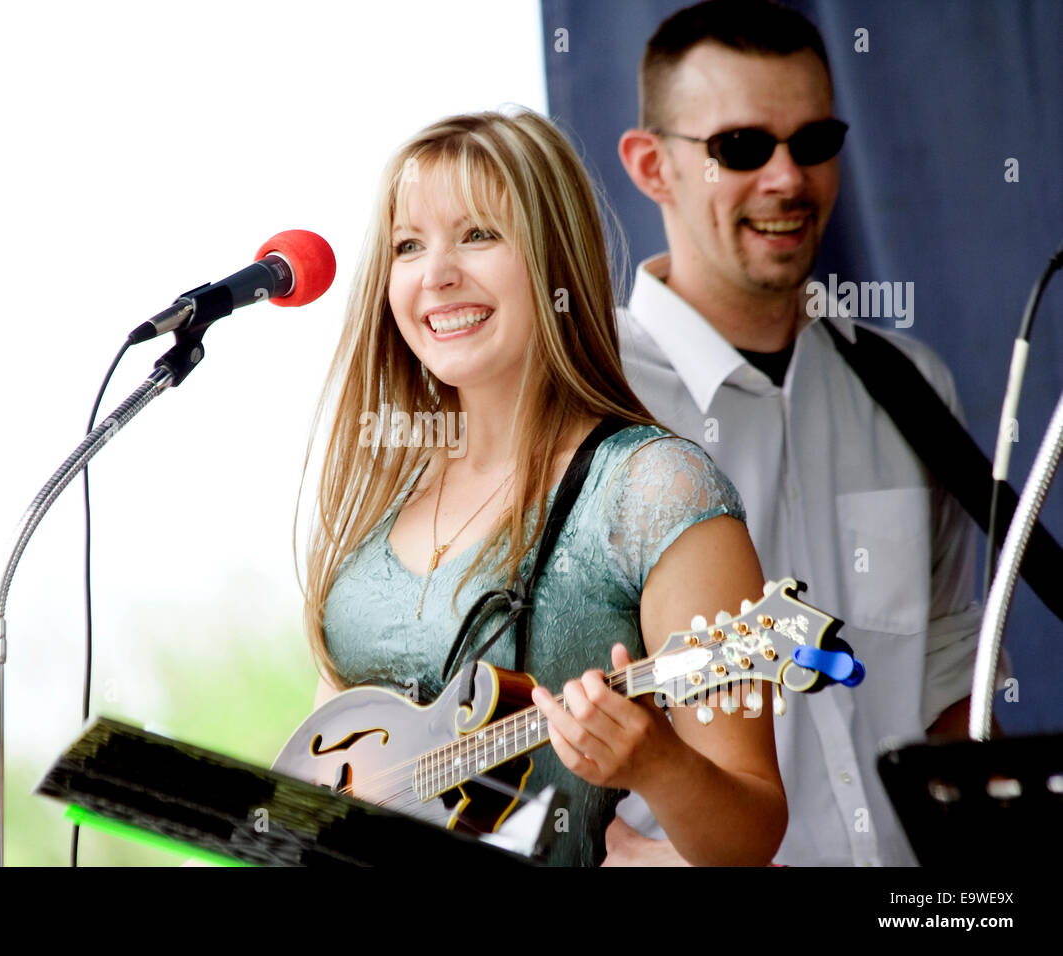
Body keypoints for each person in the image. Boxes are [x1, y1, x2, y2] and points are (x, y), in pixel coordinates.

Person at [295, 109, 787, 866]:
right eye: (407, 246)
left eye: (479, 235)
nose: (437, 273)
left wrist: (658, 763)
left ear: (558, 265)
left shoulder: (653, 488)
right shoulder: (381, 488)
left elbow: (750, 836)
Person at [607, 0, 985, 866]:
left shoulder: (914, 387)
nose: (788, 178)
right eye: (742, 148)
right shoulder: (585, 398)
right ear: (651, 166)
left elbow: (954, 688)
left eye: (813, 143)